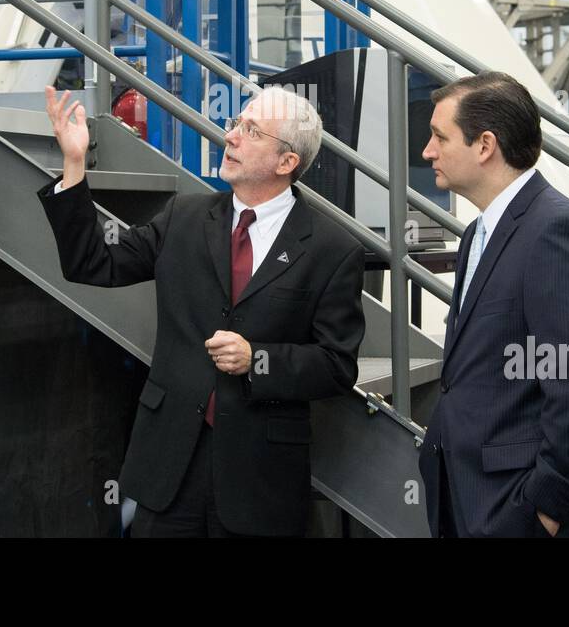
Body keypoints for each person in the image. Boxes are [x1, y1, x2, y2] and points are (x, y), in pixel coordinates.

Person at [38, 85, 365, 537]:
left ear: (286, 162)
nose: (231, 136)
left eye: (252, 131)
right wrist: (74, 163)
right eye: (236, 124)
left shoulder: (332, 249)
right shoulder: (184, 217)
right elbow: (93, 263)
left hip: (258, 479)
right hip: (169, 468)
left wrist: (259, 359)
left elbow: (336, 365)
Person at [418, 72, 569, 538]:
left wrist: (543, 512)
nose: (427, 151)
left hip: (520, 511)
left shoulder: (555, 230)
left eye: (439, 136)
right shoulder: (476, 235)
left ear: (485, 145)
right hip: (471, 497)